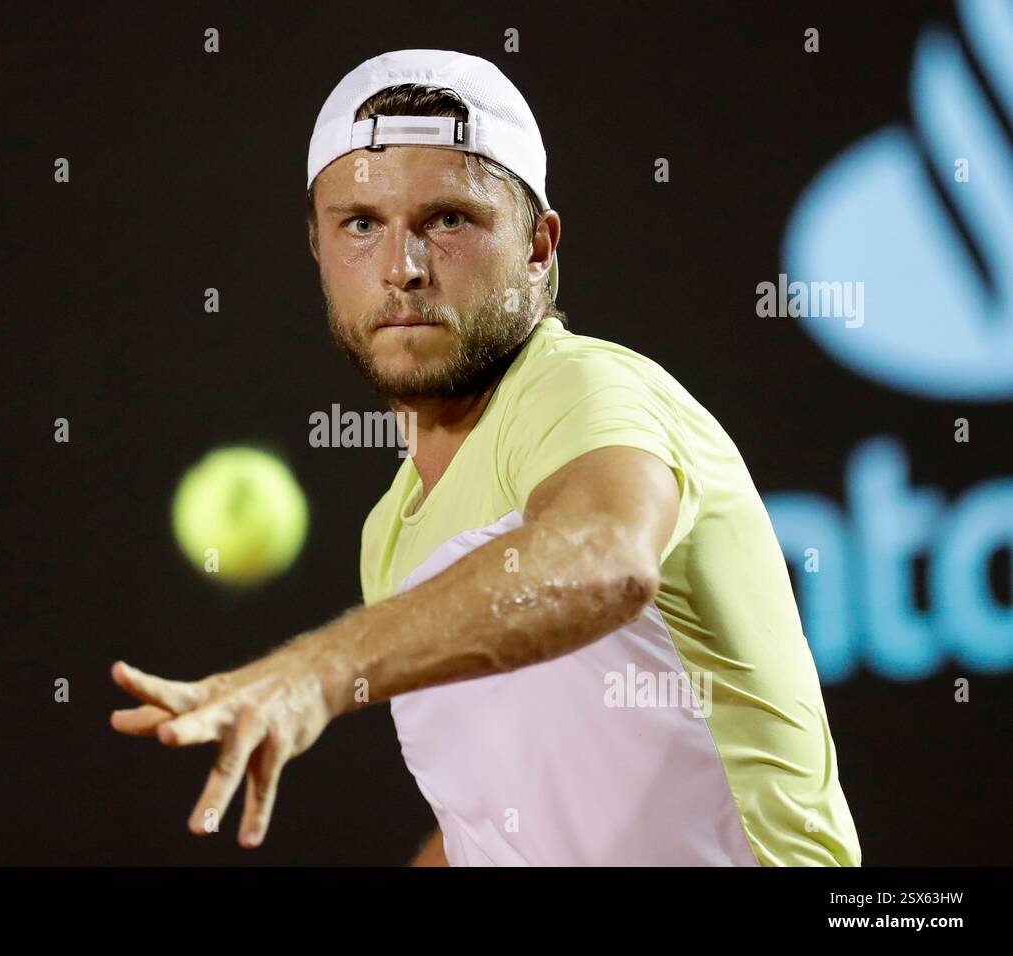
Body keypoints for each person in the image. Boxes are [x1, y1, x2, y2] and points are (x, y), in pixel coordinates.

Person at [110, 49, 862, 867]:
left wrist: (317, 671)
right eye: (360, 224)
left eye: (448, 220)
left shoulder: (582, 387)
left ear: (539, 247)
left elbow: (604, 558)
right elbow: (503, 822)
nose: (402, 268)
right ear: (320, 253)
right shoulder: (389, 535)